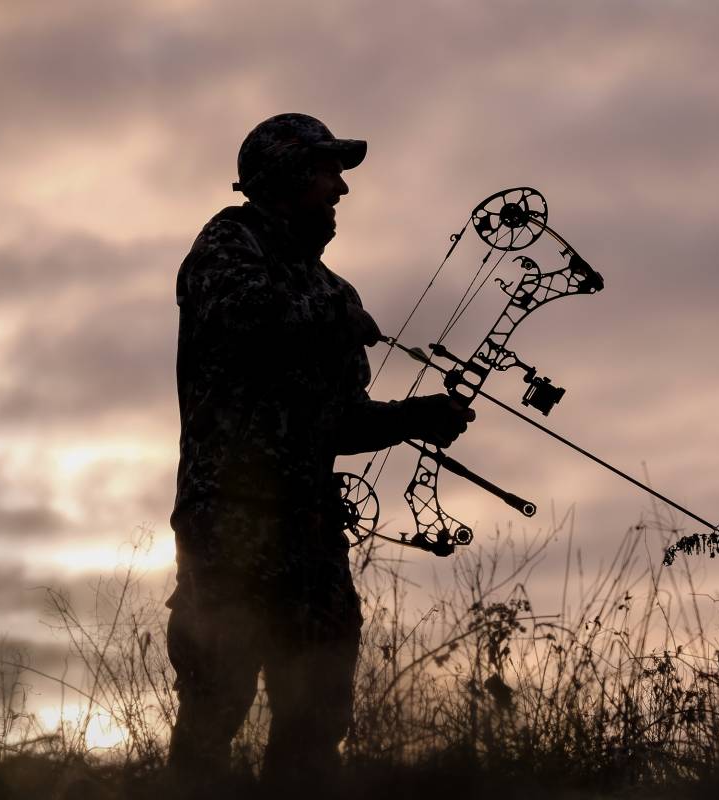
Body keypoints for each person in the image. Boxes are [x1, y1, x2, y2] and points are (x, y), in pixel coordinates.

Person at [165, 112, 474, 793]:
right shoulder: (228, 244)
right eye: (327, 173)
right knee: (217, 701)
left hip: (309, 530)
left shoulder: (332, 289)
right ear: (287, 178)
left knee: (318, 704)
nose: (340, 188)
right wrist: (337, 316)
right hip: (230, 525)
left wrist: (410, 420)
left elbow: (338, 422)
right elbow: (248, 319)